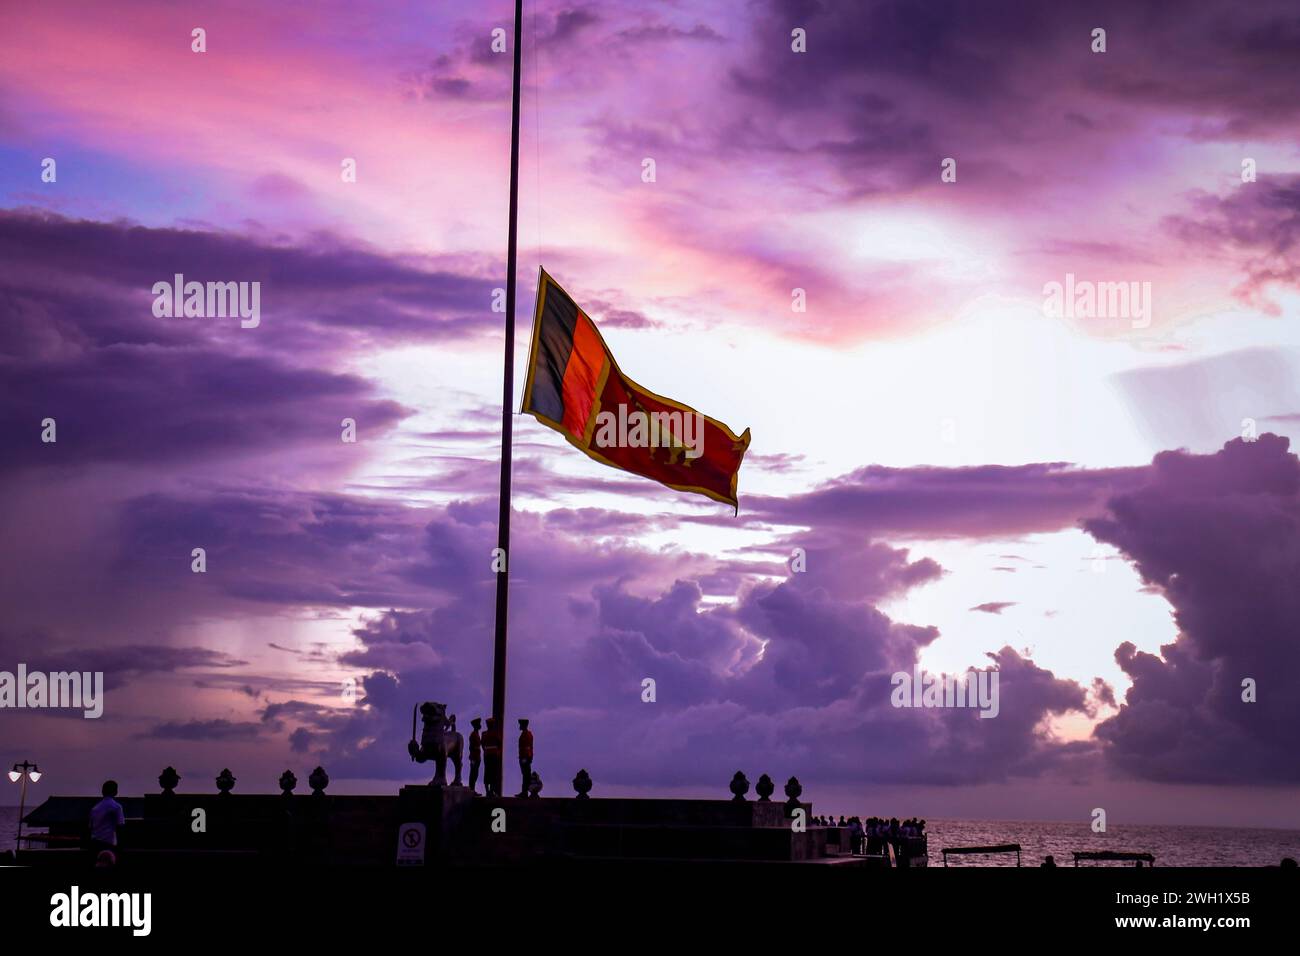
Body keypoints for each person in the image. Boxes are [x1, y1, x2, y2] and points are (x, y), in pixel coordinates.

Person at [89, 780, 125, 860]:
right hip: (109, 843)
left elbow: (90, 827)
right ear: (115, 791)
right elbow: (120, 826)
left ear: (103, 791)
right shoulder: (116, 807)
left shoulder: (95, 808)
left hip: (94, 843)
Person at [482, 718, 503, 797]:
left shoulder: (484, 734)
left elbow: (483, 745)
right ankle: (490, 791)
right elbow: (499, 744)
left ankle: (489, 791)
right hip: (493, 755)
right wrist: (498, 752)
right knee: (492, 773)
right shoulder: (496, 734)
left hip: (488, 755)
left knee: (488, 773)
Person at [517, 718, 534, 798]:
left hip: (525, 757)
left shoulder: (526, 734)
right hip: (526, 757)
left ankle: (525, 792)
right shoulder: (528, 734)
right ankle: (525, 791)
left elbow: (527, 747)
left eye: (520, 724)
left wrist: (524, 758)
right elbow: (531, 747)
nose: (519, 726)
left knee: (525, 775)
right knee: (526, 775)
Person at [468, 717, 483, 793]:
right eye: (478, 724)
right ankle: (471, 790)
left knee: (475, 774)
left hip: (477, 757)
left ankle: (472, 789)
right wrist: (472, 759)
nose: (480, 725)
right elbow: (471, 747)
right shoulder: (473, 734)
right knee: (473, 774)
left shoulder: (476, 734)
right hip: (474, 757)